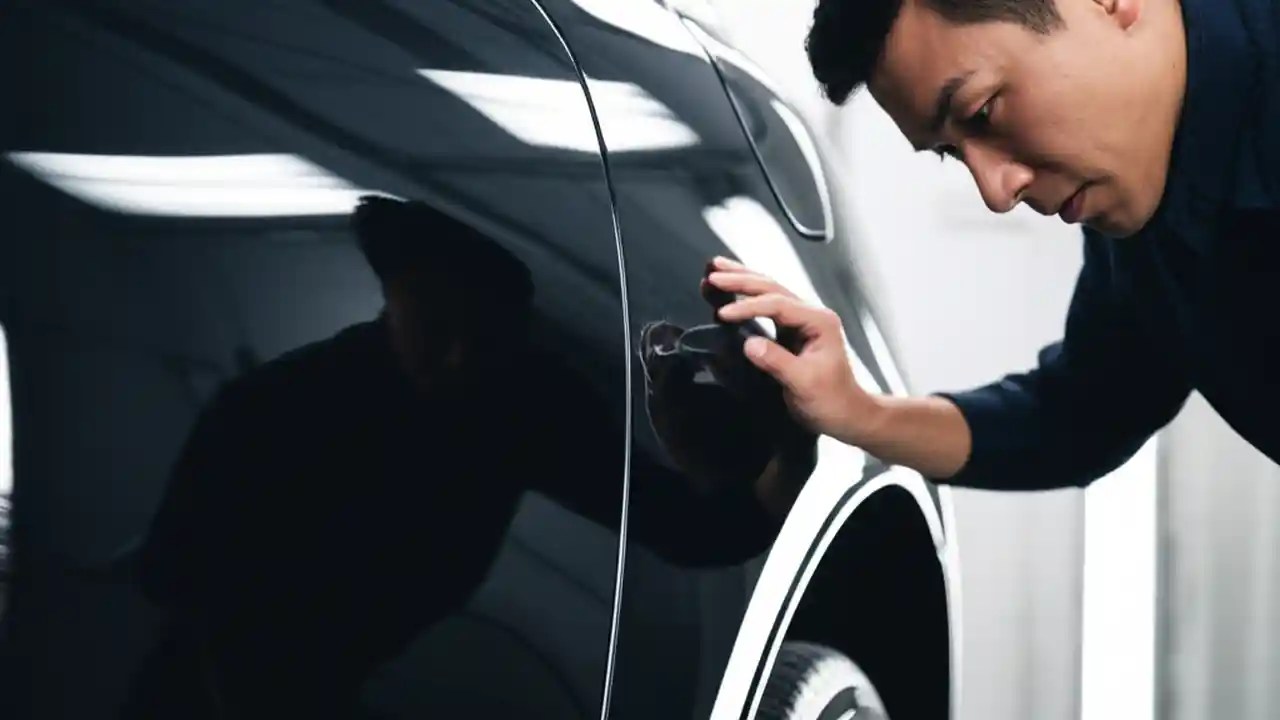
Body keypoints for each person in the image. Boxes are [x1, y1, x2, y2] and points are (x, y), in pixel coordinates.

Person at [120, 196, 810, 719]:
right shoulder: (271, 405)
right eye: (434, 323)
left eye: (482, 329)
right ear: (389, 295)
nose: (458, 356)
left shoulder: (521, 404)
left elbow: (692, 531)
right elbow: (178, 583)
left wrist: (799, 441)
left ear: (515, 318)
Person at [704, 0, 1279, 489]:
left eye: (982, 113)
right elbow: (1080, 416)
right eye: (952, 153)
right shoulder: (1150, 222)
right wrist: (856, 411)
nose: (996, 192)